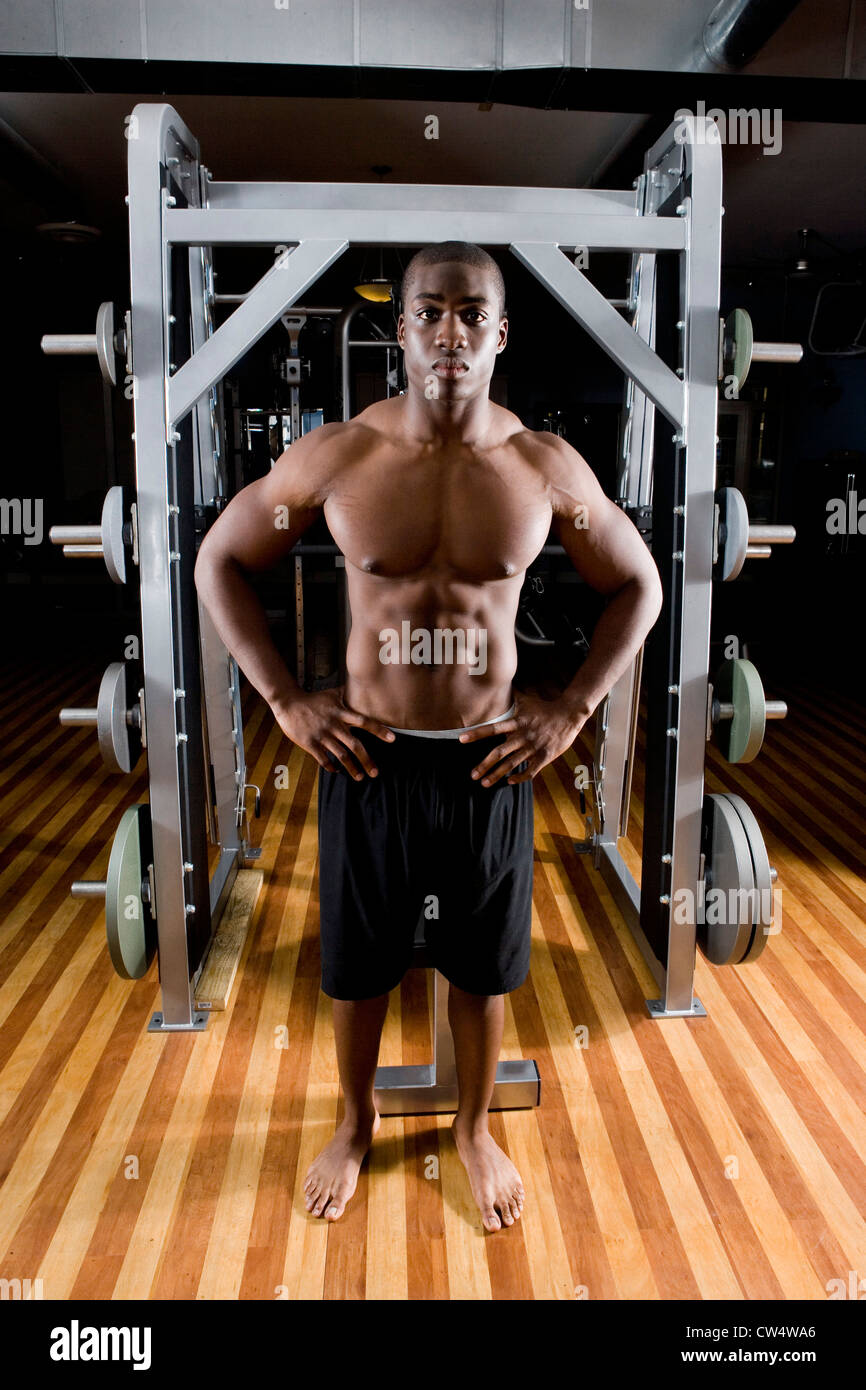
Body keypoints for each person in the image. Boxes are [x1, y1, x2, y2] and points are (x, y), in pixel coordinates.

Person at [194, 241, 662, 1232]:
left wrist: (569, 710)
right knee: (357, 966)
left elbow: (639, 585)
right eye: (430, 311)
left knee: (483, 967)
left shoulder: (541, 466)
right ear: (400, 328)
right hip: (368, 755)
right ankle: (356, 1122)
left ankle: (472, 1127)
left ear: (499, 331)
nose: (450, 331)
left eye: (471, 312)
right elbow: (218, 561)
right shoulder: (341, 456)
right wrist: (283, 699)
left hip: (488, 758)